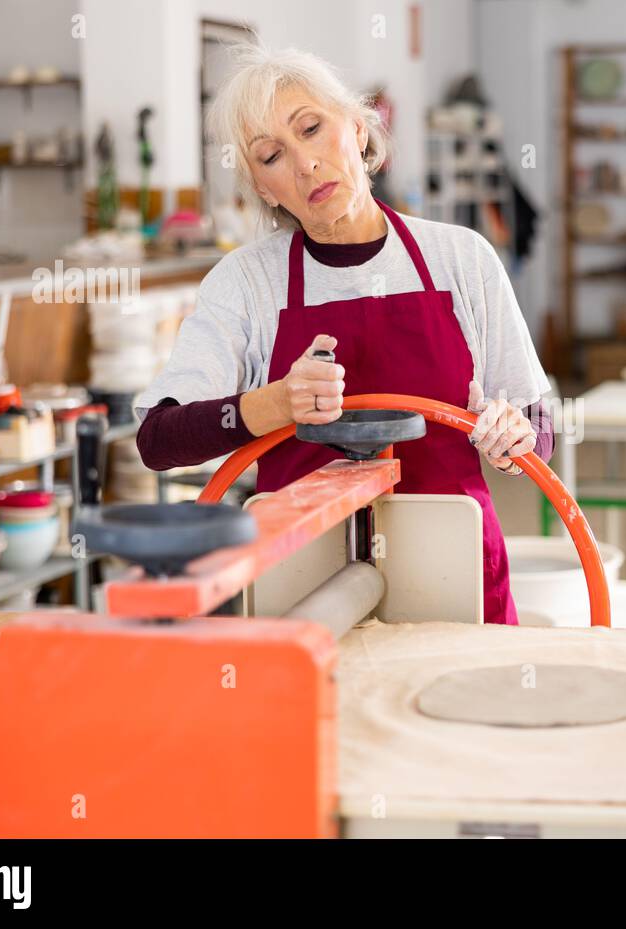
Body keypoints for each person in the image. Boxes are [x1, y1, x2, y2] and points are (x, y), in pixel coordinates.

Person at [134, 44, 553, 626]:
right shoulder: (246, 283)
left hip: (453, 568)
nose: (304, 163)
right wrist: (274, 402)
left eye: (312, 129)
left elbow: (539, 425)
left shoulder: (461, 258)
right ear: (262, 187)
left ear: (357, 129)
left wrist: (514, 436)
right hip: (306, 584)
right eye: (271, 156)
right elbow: (158, 440)